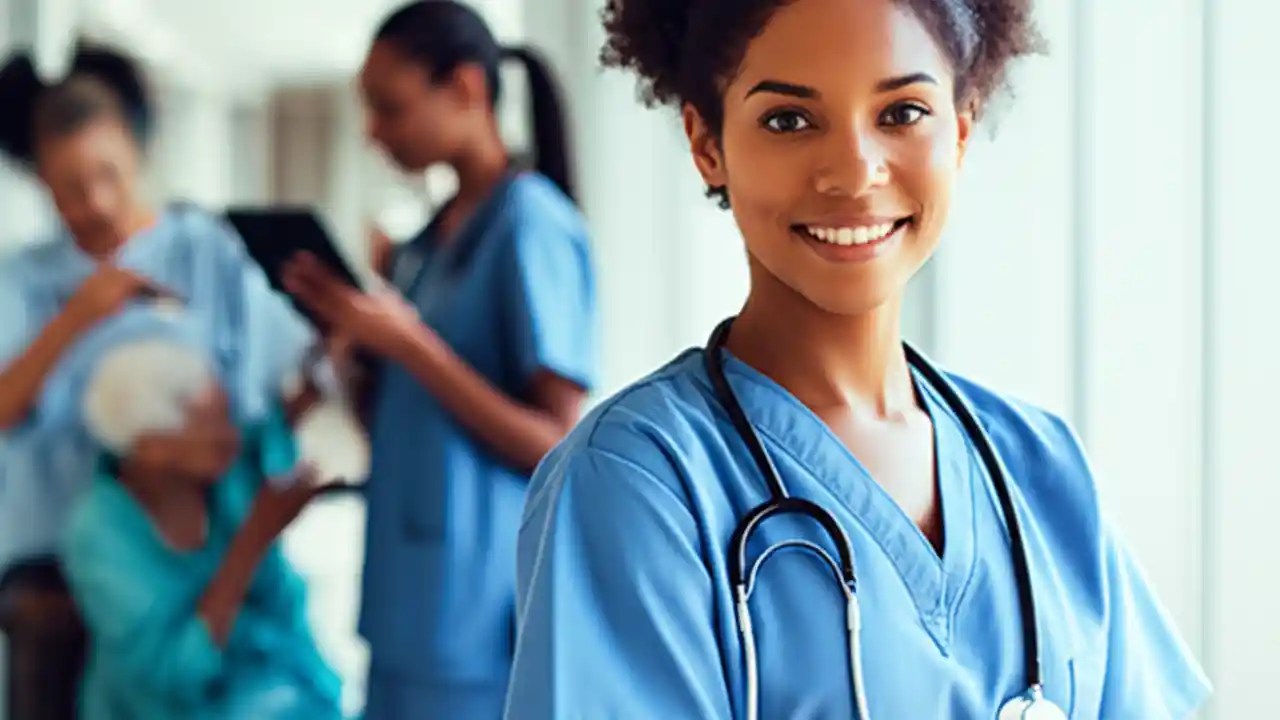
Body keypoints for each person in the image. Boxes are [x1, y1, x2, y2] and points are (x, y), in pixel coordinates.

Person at [505, 1, 1212, 718]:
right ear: (706, 142)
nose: (854, 172)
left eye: (902, 112)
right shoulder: (636, 481)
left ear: (961, 129)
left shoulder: (1041, 464)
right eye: (789, 120)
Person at [281, 2, 596, 718]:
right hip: (405, 604)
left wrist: (409, 344)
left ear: (464, 88)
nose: (373, 133)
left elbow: (558, 443)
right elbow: (398, 422)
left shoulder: (530, 225)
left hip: (473, 613)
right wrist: (358, 355)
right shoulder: (422, 247)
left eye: (389, 108)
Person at [0, 44, 318, 589]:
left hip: (197, 547)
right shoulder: (26, 279)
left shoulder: (204, 250)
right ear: (41, 183)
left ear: (139, 149)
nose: (96, 203)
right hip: (62, 558)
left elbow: (269, 391)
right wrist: (78, 316)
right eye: (70, 189)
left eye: (110, 175)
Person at [51, 306, 343, 719]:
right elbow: (170, 680)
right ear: (152, 447)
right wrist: (252, 542)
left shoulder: (226, 479)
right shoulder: (97, 534)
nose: (231, 436)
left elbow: (277, 429)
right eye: (211, 424)